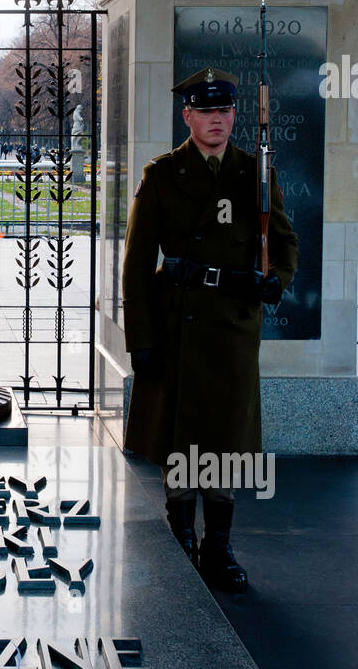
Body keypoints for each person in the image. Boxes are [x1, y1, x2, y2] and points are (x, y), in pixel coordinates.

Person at [122, 66, 298, 592]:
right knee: (181, 440)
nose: (216, 119)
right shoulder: (161, 175)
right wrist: (142, 341)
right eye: (205, 111)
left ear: (235, 116)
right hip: (179, 323)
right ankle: (180, 540)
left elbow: (284, 243)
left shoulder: (253, 172)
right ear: (188, 117)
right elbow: (136, 267)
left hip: (231, 328)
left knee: (225, 441)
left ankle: (218, 548)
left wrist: (276, 280)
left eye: (224, 111)